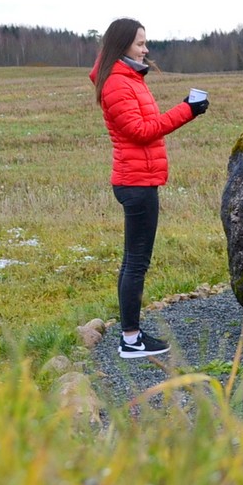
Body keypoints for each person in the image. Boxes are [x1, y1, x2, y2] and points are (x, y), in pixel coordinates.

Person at [90, 18, 208, 358]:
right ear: (122, 44)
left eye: (145, 43)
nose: (146, 49)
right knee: (136, 263)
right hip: (136, 183)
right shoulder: (116, 83)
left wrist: (186, 109)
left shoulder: (128, 78)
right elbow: (141, 131)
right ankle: (131, 340)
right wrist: (187, 110)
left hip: (140, 179)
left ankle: (132, 335)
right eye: (140, 43)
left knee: (134, 261)